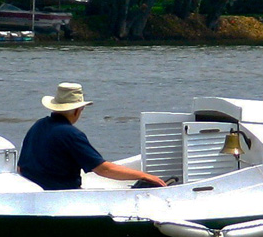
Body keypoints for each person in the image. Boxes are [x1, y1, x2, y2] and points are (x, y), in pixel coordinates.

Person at [18, 82, 165, 191]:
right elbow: (103, 169)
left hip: (36, 190)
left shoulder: (38, 125)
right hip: (62, 195)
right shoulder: (70, 134)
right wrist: (144, 176)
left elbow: (20, 167)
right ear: (77, 110)